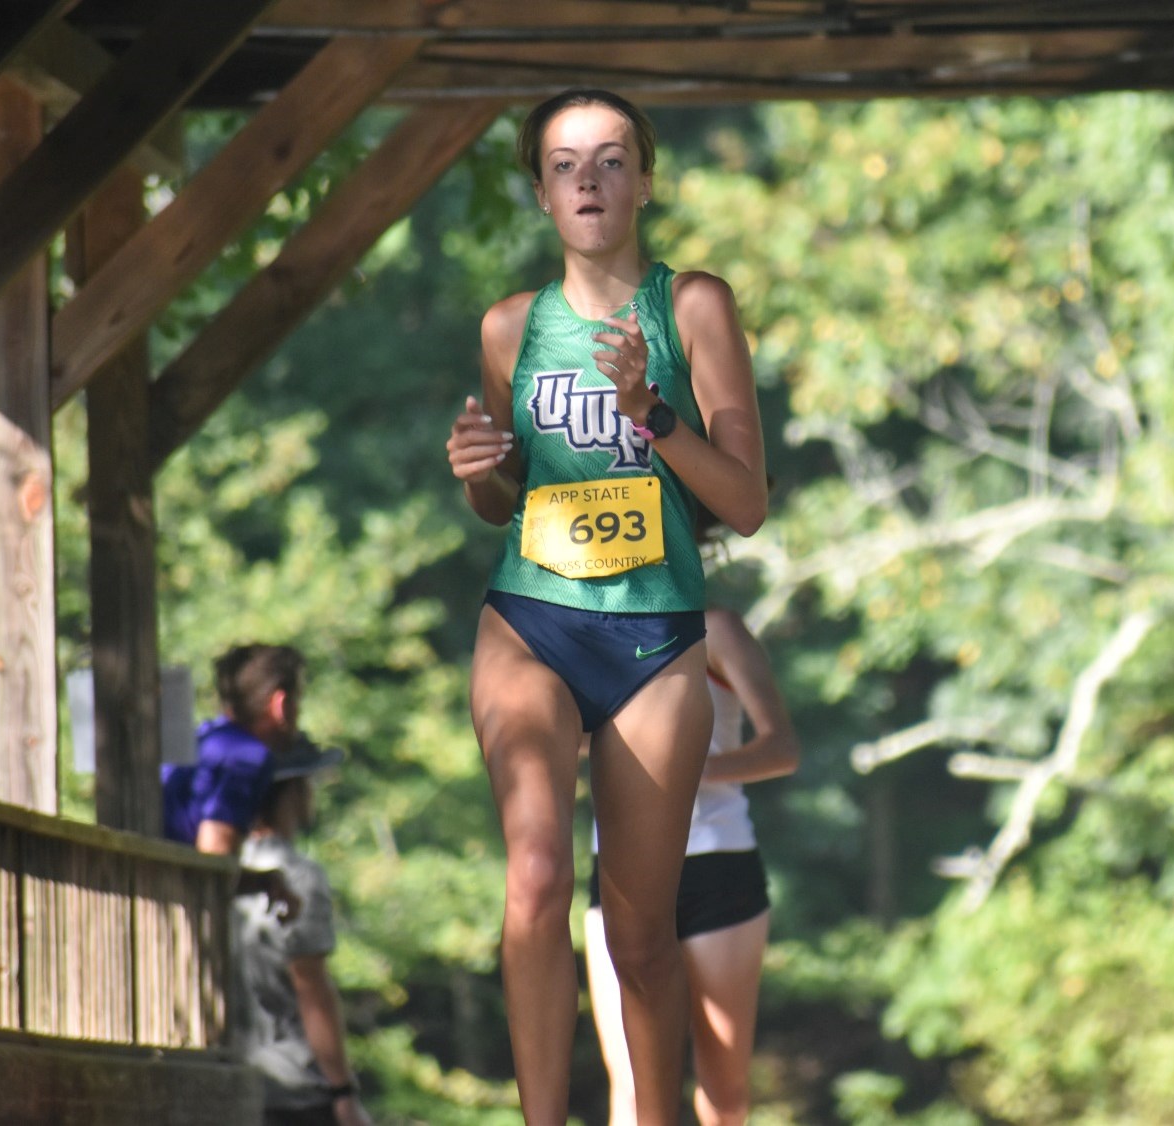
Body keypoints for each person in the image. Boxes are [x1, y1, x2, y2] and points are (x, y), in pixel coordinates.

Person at [444, 87, 768, 1125]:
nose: (589, 180)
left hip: (653, 635)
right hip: (531, 620)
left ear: (644, 181)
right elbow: (504, 498)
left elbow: (747, 504)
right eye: (565, 163)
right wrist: (475, 475)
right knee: (535, 876)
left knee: (637, 935)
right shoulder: (508, 329)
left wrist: (651, 413)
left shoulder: (693, 308)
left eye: (612, 159)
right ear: (539, 193)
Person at [586, 604, 800, 1125]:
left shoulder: (717, 627)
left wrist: (690, 767)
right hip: (621, 873)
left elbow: (782, 748)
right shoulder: (582, 629)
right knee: (632, 1087)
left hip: (715, 864)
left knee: (724, 1095)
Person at [230, 741, 371, 1126]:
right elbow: (310, 985)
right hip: (294, 1086)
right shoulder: (299, 878)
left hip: (231, 1075)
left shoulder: (223, 873)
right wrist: (343, 1092)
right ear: (291, 792)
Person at [163, 643, 309, 917]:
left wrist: (261, 881)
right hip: (173, 918)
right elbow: (214, 854)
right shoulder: (247, 758)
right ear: (280, 704)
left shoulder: (207, 737)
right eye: (298, 699)